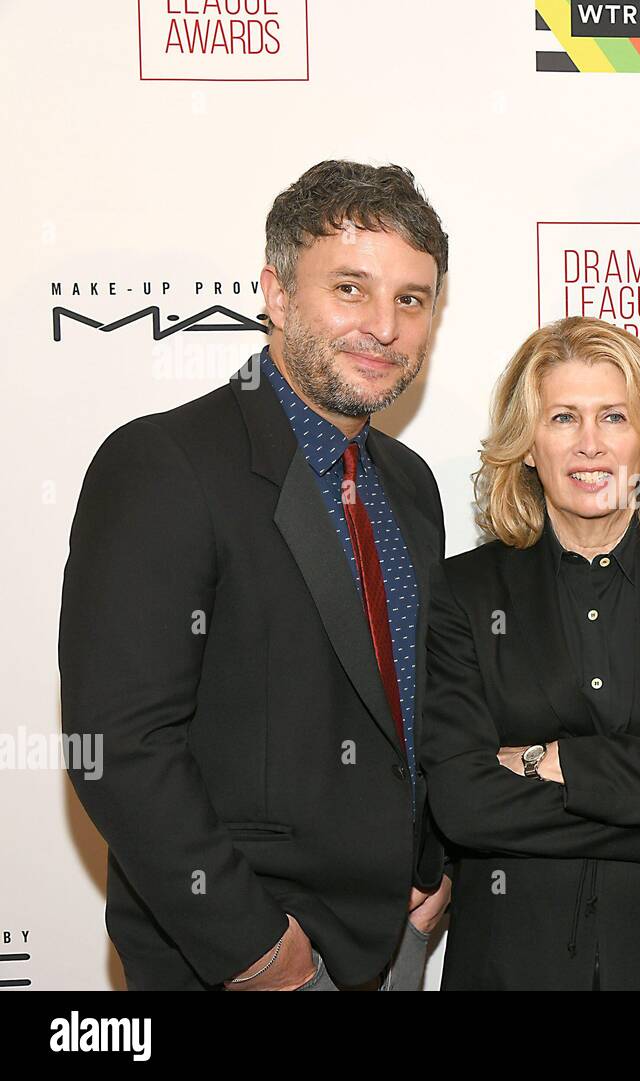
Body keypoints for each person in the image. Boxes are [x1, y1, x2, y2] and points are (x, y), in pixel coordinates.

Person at [60, 160, 452, 990]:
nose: (384, 326)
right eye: (351, 288)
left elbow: (411, 700)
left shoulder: (409, 484)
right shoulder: (164, 464)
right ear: (275, 295)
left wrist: (431, 869)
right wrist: (261, 954)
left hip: (394, 948)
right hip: (237, 960)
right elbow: (120, 748)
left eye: (411, 299)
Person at [424, 316, 640, 990]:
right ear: (527, 444)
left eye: (613, 416)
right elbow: (464, 800)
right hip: (512, 959)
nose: (590, 444)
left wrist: (543, 760)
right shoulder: (464, 591)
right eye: (563, 418)